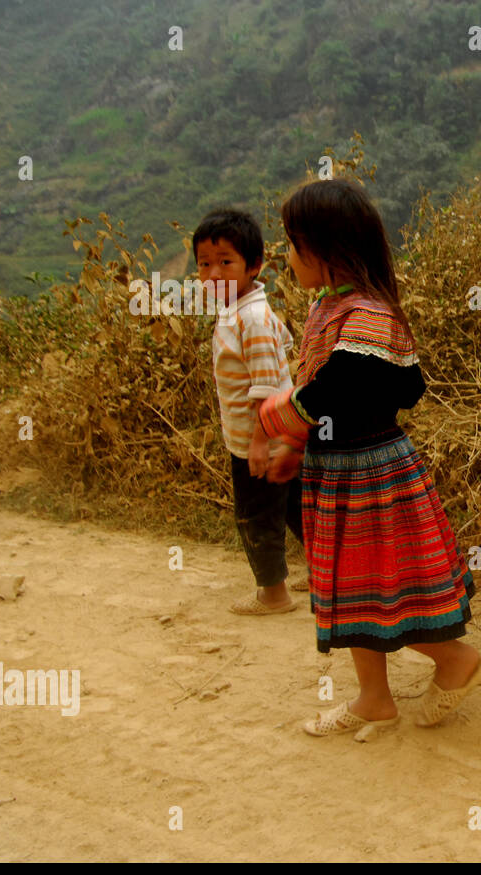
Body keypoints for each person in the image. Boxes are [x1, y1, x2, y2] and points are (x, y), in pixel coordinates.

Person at [258, 179, 481, 736]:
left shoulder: (366, 314)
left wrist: (281, 416)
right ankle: (374, 698)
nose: (286, 257)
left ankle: (456, 661)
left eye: (292, 243)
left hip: (371, 471)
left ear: (326, 247)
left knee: (393, 579)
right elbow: (348, 391)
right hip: (338, 470)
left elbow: (348, 388)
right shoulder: (331, 306)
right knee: (350, 583)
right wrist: (299, 443)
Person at [195, 208, 305, 615]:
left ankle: (273, 594)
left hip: (259, 441)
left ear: (253, 265)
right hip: (276, 435)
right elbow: (284, 352)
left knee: (256, 515)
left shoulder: (251, 317)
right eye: (204, 264)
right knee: (294, 504)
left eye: (225, 262)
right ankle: (325, 569)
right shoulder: (245, 311)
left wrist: (260, 441)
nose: (212, 274)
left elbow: (265, 384)